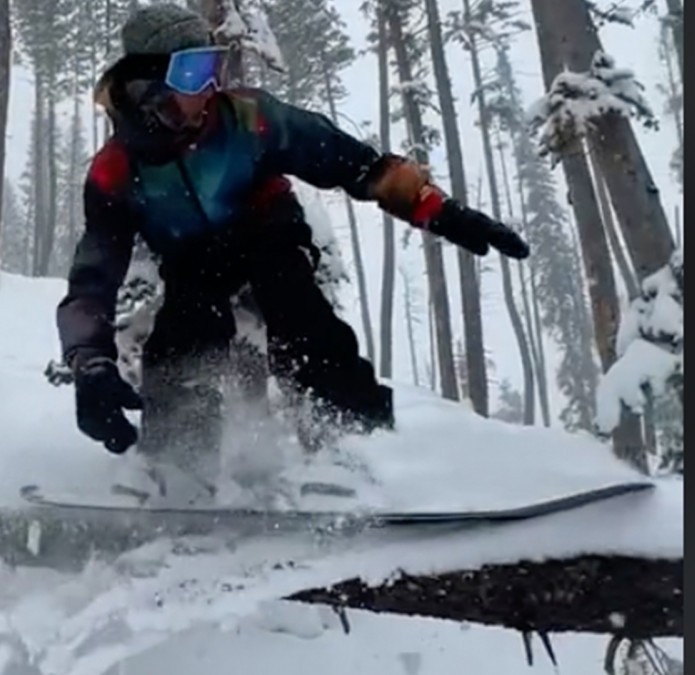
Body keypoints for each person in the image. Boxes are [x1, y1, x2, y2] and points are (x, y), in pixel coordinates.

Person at [56, 4, 529, 504]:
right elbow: (94, 275)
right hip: (193, 262)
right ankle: (180, 465)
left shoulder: (248, 120)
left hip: (268, 234)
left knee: (297, 309)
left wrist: (439, 211)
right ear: (147, 83)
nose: (210, 84)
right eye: (194, 70)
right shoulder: (115, 172)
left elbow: (355, 164)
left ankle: (349, 442)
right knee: (181, 339)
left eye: (214, 65)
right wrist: (90, 365)